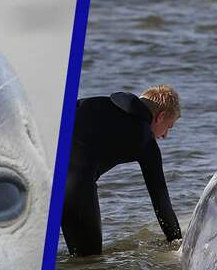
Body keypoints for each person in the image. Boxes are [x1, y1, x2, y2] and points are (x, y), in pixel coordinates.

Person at [63, 85, 182, 256]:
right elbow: (161, 202)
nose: (165, 136)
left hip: (41, 169)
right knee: (87, 264)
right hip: (74, 185)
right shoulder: (145, 141)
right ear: (160, 116)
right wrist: (177, 244)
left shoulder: (93, 103)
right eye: (169, 127)